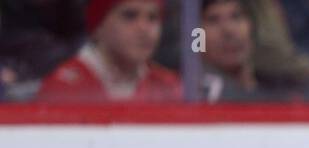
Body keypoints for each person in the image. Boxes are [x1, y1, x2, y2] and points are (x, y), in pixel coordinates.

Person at [36, 0, 181, 103]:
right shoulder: (62, 89)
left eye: (153, 17)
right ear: (99, 26)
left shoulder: (169, 86)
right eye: (130, 15)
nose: (144, 29)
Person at [199, 0, 265, 102]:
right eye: (213, 20)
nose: (229, 30)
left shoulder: (284, 91)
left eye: (236, 16)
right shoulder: (190, 99)